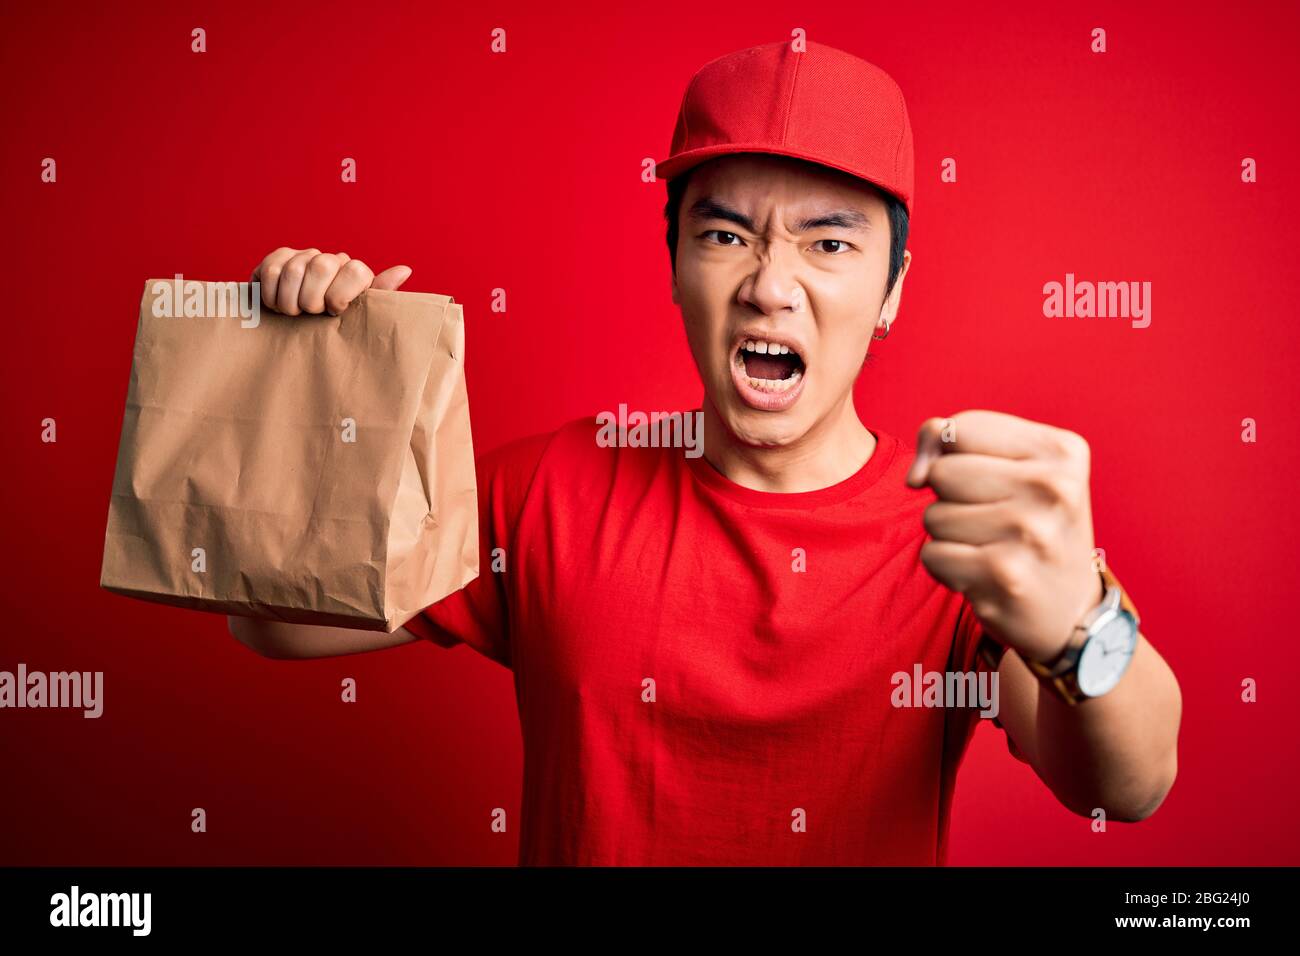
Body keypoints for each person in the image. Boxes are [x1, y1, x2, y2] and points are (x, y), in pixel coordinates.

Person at [228, 39, 1181, 865]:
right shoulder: (550, 489)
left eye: (830, 244)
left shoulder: (952, 539)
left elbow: (1125, 785)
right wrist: (306, 382)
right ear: (676, 267)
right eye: (725, 234)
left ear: (892, 292)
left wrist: (1083, 625)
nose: (771, 284)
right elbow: (273, 619)